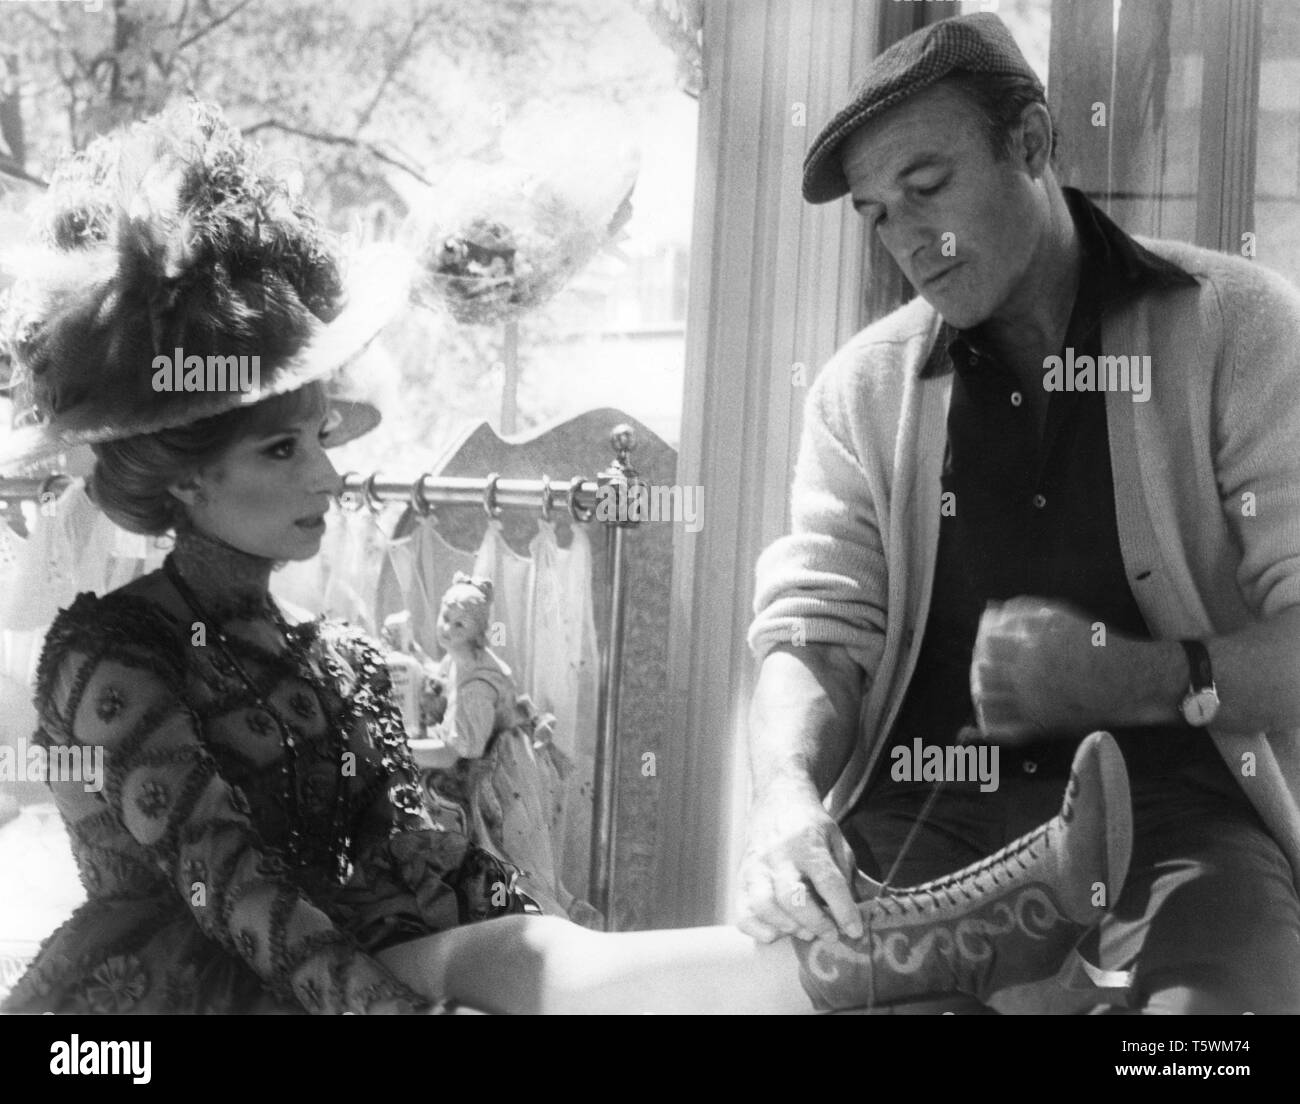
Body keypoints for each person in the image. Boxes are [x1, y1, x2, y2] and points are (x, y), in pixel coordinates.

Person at [0, 99, 1132, 1016]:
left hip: (377, 972)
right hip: (172, 1012)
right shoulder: (111, 662)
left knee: (532, 956)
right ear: (184, 477)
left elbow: (437, 872)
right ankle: (957, 936)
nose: (332, 477)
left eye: (323, 439)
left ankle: (944, 942)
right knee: (519, 967)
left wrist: (576, 958)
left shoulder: (334, 657)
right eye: (284, 449)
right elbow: (236, 897)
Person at [742, 11, 1300, 1014]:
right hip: (929, 824)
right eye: (875, 214)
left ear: (1033, 143)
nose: (906, 237)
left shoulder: (1241, 327)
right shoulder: (858, 392)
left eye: (925, 188)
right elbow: (812, 638)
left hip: (1185, 833)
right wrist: (782, 795)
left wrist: (1135, 679)